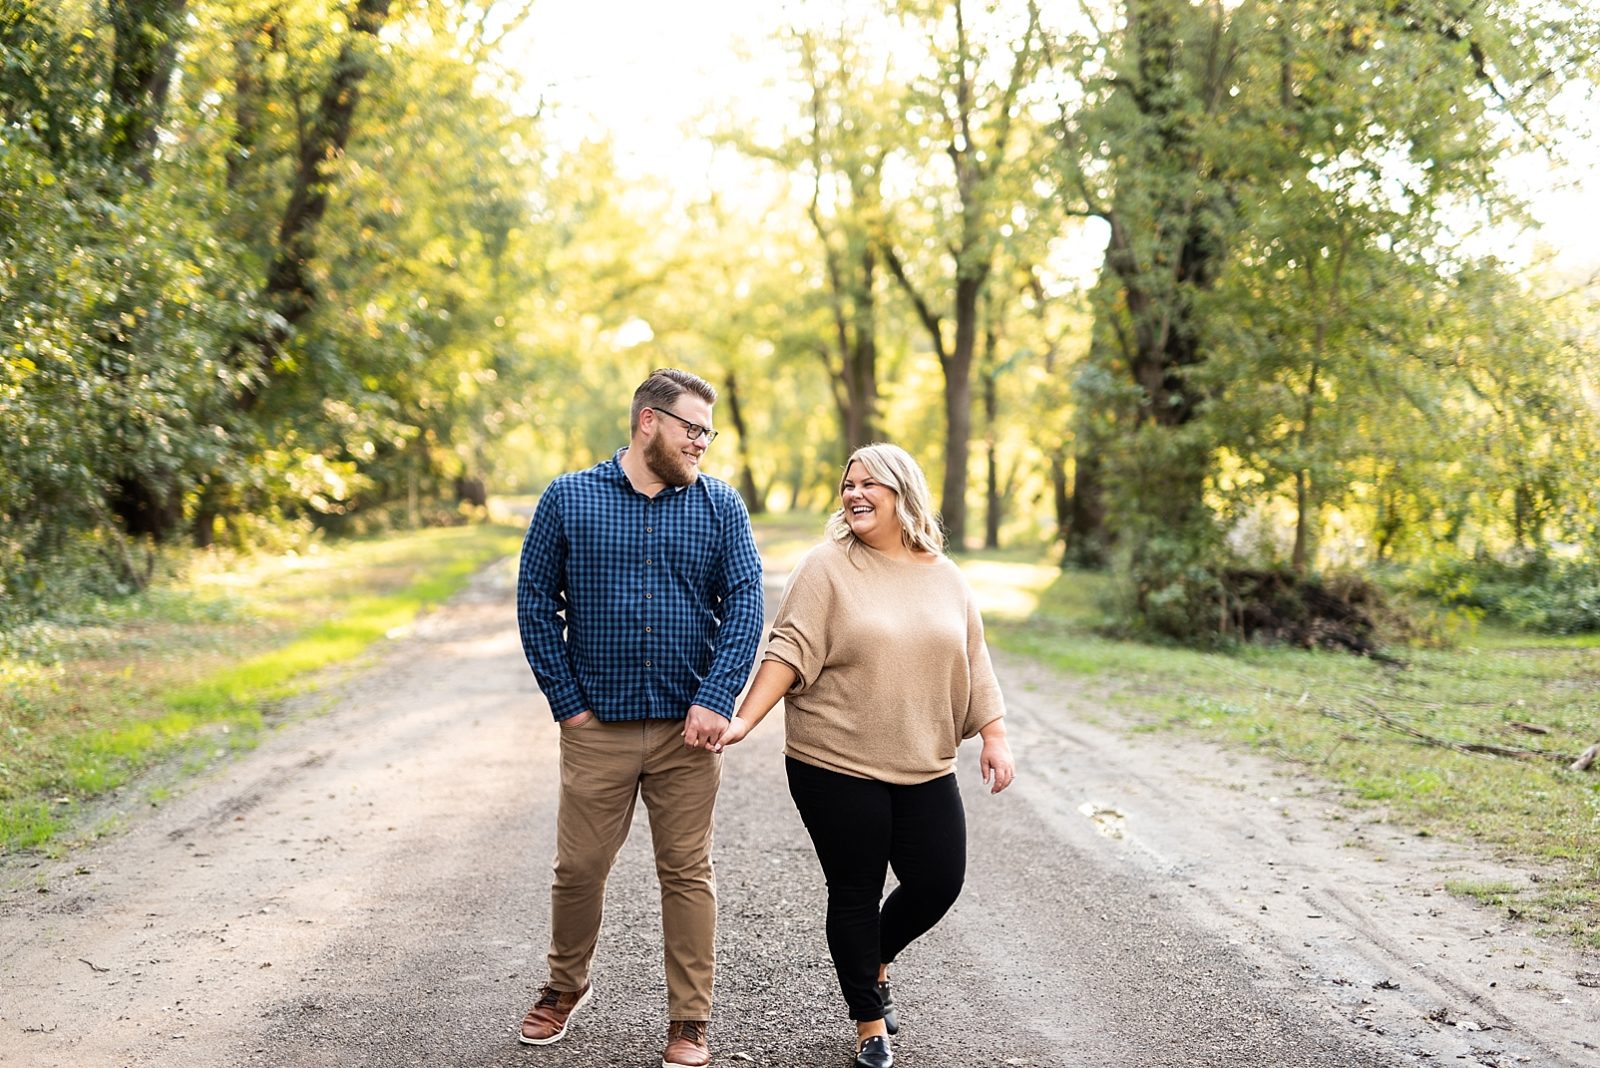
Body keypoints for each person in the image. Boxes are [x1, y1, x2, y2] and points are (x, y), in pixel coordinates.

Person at [712, 442, 1015, 1068]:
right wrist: (745, 719)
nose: (853, 494)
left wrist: (994, 734)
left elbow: (973, 656)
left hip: (922, 759)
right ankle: (869, 1021)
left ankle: (874, 956)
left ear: (903, 493)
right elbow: (789, 649)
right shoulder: (826, 568)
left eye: (868, 484)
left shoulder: (944, 574)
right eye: (847, 484)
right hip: (835, 759)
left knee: (938, 879)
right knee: (855, 888)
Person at [514, 367, 764, 1068]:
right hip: (599, 728)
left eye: (708, 433)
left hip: (690, 731)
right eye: (692, 428)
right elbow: (535, 603)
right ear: (649, 422)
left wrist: (718, 697)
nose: (702, 443)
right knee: (579, 869)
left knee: (687, 871)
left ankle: (689, 1021)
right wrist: (569, 706)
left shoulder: (720, 506)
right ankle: (565, 988)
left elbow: (746, 601)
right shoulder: (567, 498)